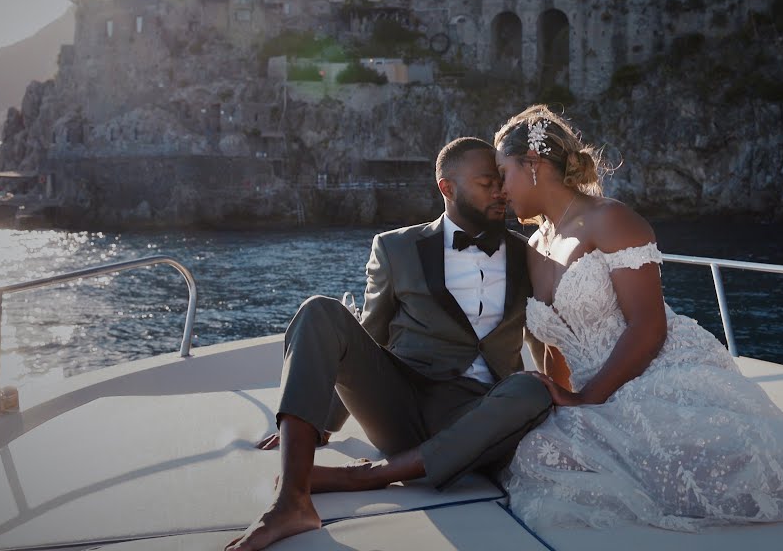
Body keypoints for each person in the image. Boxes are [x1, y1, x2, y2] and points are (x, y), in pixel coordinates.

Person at [492, 105, 783, 532]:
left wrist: (587, 400)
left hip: (654, 367)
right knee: (539, 454)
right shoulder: (534, 248)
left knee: (688, 462)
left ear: (532, 162)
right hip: (593, 391)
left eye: (503, 173)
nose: (500, 190)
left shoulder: (609, 219)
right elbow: (556, 346)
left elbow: (648, 327)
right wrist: (562, 405)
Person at [227, 137, 551, 551]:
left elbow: (543, 335)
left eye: (501, 183)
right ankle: (291, 501)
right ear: (447, 187)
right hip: (402, 405)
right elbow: (370, 333)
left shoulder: (527, 254)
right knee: (319, 310)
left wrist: (570, 401)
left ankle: (366, 476)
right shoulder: (396, 247)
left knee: (532, 388)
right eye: (487, 183)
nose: (500, 192)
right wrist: (322, 424)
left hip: (481, 415)